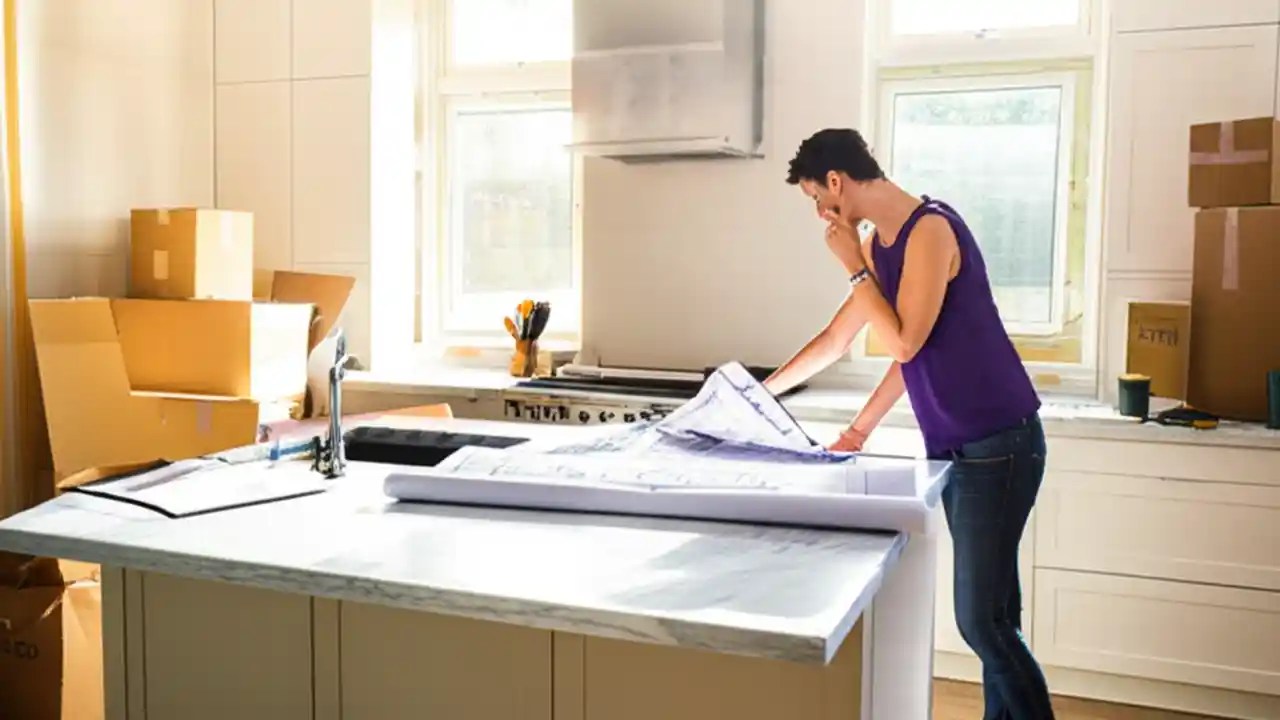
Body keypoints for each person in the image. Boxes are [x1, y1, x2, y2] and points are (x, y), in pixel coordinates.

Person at [764, 128, 1055, 720]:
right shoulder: (882, 245)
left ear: (837, 182)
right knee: (997, 616)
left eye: (817, 198)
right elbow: (839, 340)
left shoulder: (930, 231)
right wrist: (757, 395)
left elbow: (902, 342)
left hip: (1000, 442)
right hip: (959, 447)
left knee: (981, 622)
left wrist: (852, 265)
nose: (820, 214)